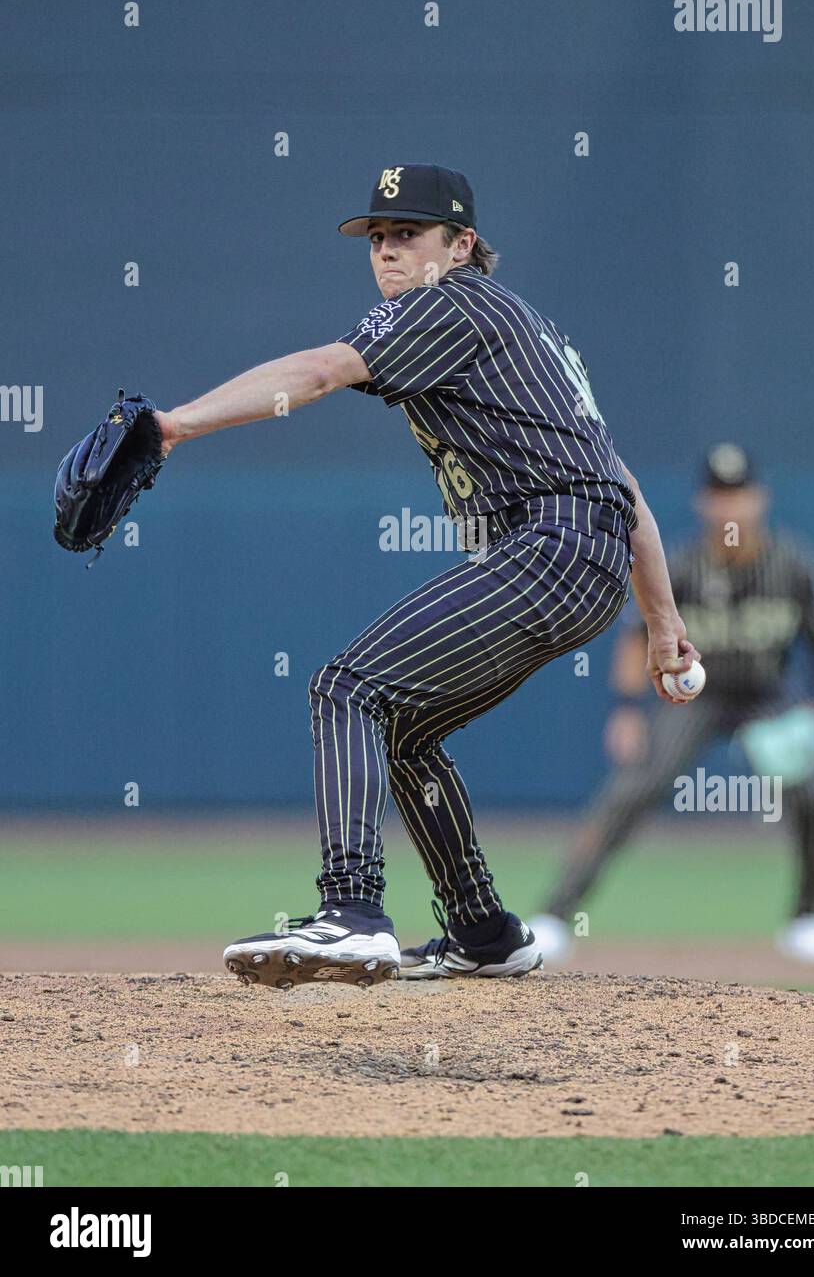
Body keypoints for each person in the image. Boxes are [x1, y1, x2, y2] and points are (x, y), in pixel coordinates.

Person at [154, 162, 698, 988]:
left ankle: (351, 912)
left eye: (406, 234)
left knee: (346, 688)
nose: (386, 251)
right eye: (376, 237)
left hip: (549, 547)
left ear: (462, 244)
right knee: (402, 730)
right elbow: (625, 489)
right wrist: (660, 625)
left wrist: (173, 426)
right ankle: (484, 932)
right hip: (583, 559)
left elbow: (317, 373)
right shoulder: (525, 331)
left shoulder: (451, 303)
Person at [530, 443, 814, 969]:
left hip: (768, 698)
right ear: (704, 504)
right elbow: (636, 636)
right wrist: (626, 709)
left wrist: (813, 704)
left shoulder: (794, 564)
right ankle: (557, 917)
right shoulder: (680, 565)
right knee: (632, 789)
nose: (730, 509)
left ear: (760, 498)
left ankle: (807, 918)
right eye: (720, 496)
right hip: (694, 698)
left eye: (739, 495)